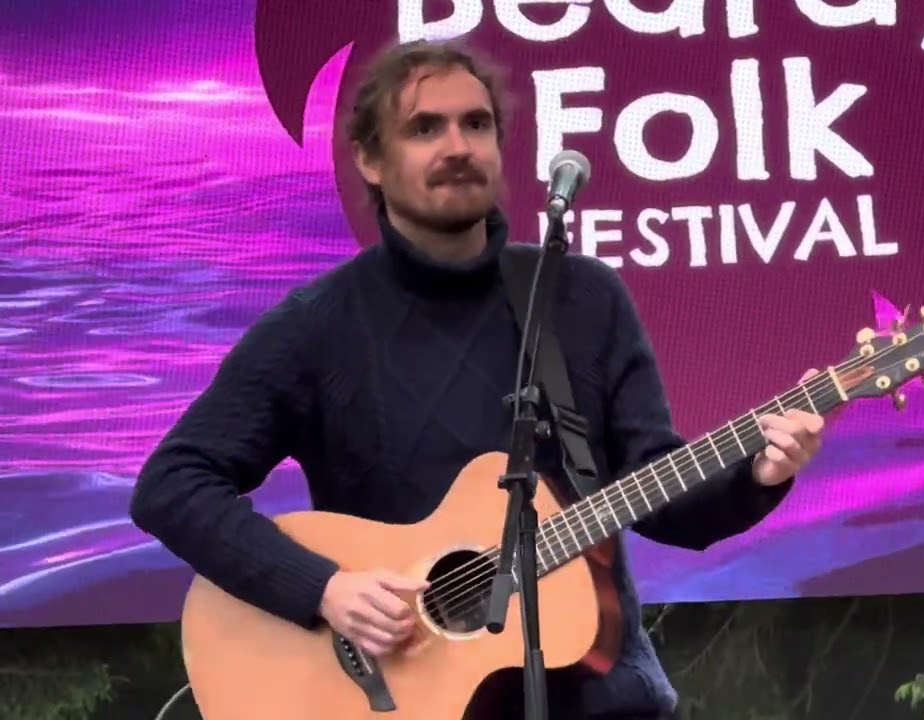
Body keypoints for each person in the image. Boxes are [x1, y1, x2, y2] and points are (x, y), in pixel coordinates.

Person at [129, 38, 829, 720]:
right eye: (424, 127)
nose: (458, 146)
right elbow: (173, 485)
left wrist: (755, 477)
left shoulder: (579, 296)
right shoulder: (318, 326)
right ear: (371, 160)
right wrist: (323, 588)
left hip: (605, 698)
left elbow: (659, 494)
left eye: (476, 123)